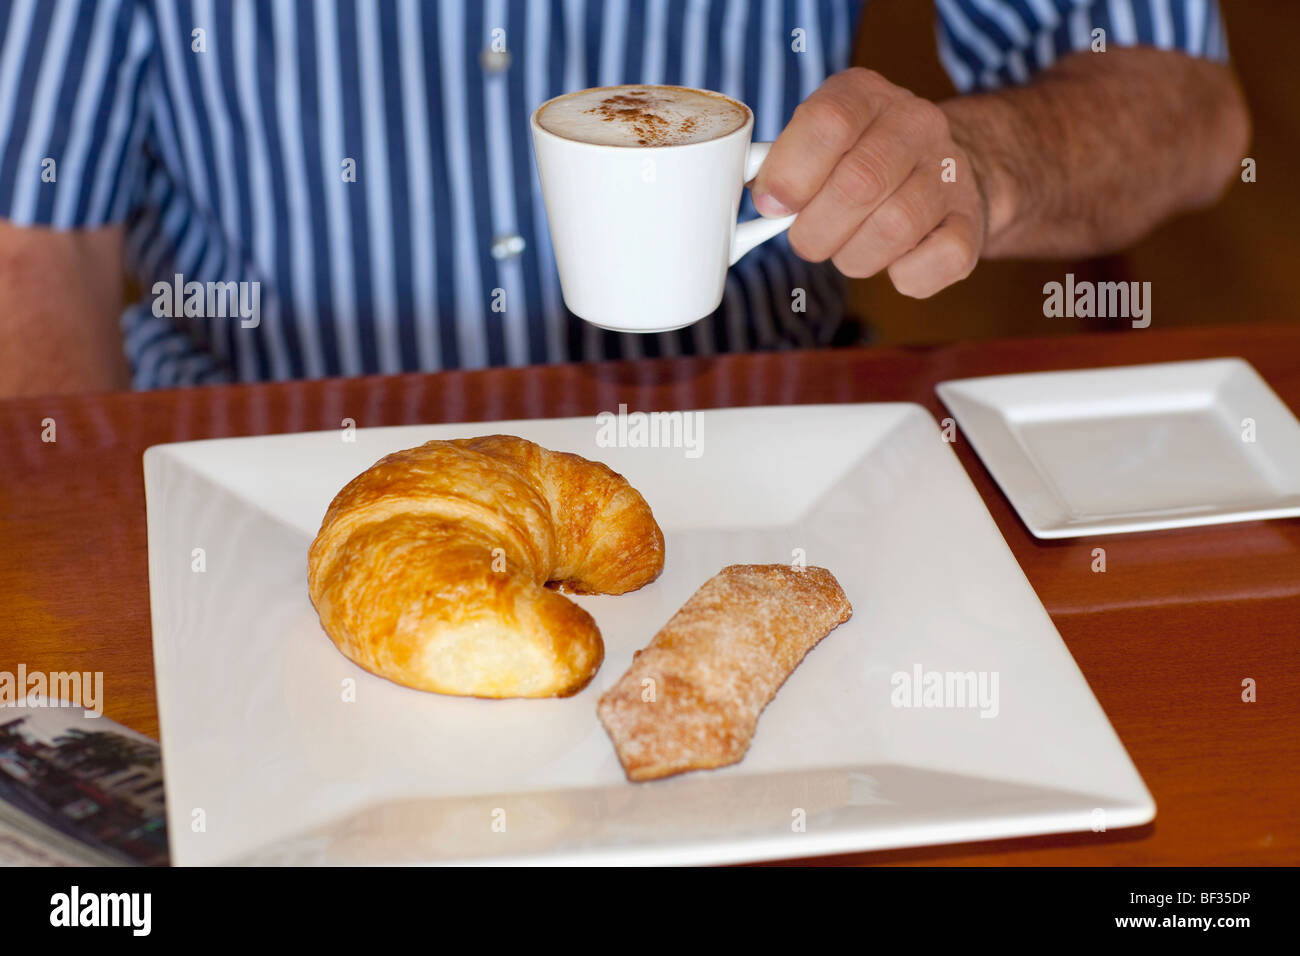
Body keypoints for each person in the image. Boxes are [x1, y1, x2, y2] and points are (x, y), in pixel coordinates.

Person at [0, 0, 1248, 396]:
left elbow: (1193, 110)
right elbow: (29, 246)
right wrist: (116, 582)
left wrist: (986, 161)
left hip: (758, 460)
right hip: (256, 466)